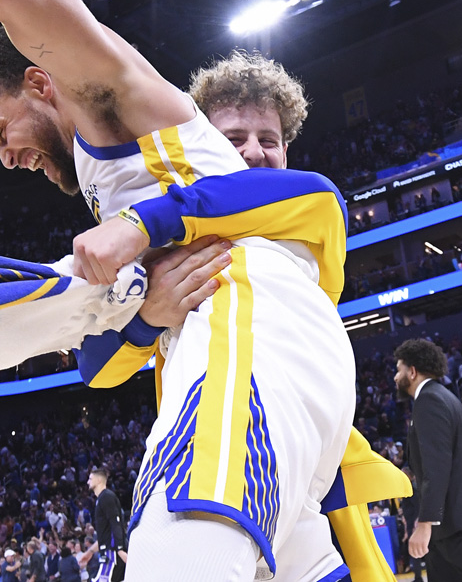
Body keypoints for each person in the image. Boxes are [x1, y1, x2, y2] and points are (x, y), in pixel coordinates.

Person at [0, 0, 355, 581]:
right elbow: (96, 368)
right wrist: (148, 316)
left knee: (172, 560)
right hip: (265, 355)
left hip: (250, 328)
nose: (5, 158)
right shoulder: (107, 179)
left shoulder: (110, 105)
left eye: (1, 132)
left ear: (39, 83)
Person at [73, 50, 410, 582]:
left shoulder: (301, 205)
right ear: (204, 146)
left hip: (257, 428)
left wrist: (137, 224)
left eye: (268, 140)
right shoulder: (172, 245)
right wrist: (148, 318)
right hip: (277, 447)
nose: (254, 151)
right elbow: (94, 366)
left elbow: (273, 197)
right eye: (233, 139)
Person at [394, 339, 462, 582]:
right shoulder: (441, 396)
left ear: (412, 372)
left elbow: (436, 466)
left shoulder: (429, 401)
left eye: (399, 369)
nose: (395, 376)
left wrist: (425, 522)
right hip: (452, 521)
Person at [82, 469, 125, 582]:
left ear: (99, 480)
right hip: (108, 551)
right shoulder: (101, 499)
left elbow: (115, 524)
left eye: (90, 479)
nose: (88, 482)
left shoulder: (106, 497)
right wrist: (90, 552)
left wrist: (120, 549)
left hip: (112, 552)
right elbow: (105, 533)